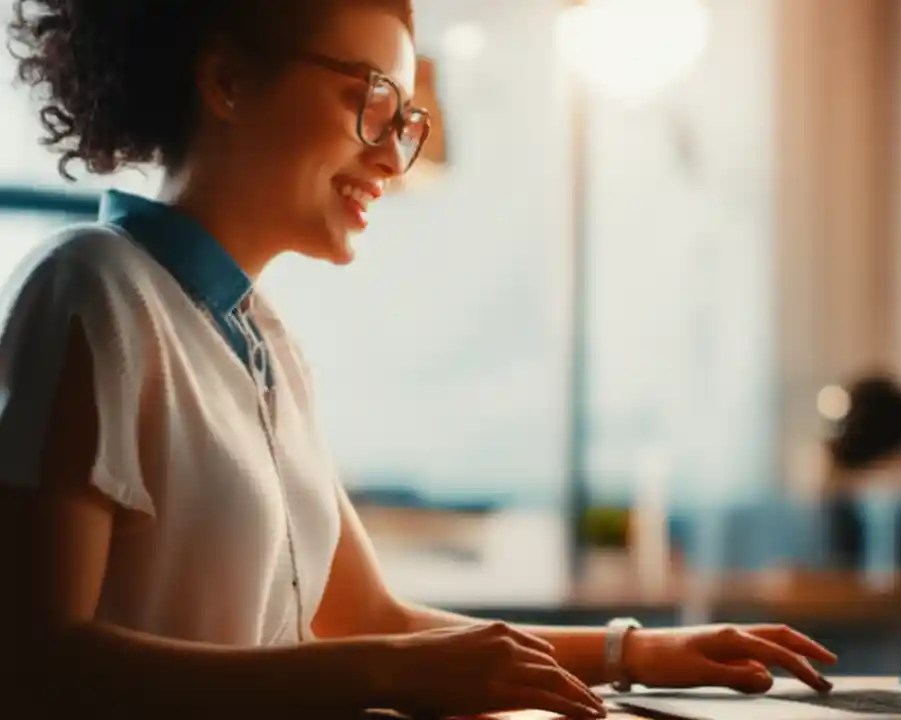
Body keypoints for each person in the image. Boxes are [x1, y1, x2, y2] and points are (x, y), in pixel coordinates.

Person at [0, 0, 838, 717]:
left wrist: (639, 654)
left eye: (404, 117)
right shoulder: (94, 287)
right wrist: (385, 675)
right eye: (369, 100)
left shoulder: (265, 346)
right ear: (227, 82)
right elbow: (36, 664)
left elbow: (371, 614)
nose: (393, 157)